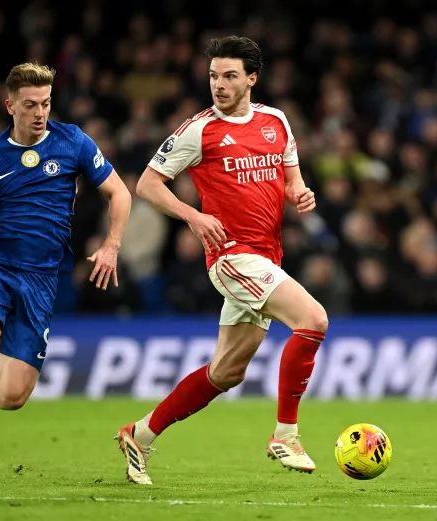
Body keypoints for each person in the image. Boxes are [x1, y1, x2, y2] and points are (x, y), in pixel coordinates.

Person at [115, 36, 327, 485]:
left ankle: (140, 434)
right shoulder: (198, 130)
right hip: (232, 258)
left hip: (267, 257)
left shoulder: (275, 121)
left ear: (252, 79)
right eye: (214, 76)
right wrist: (194, 217)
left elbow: (292, 180)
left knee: (227, 372)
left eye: (229, 76)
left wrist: (300, 193)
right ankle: (286, 435)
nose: (219, 84)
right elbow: (147, 184)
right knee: (313, 320)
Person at [0, 63, 131, 483]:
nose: (40, 113)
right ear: (10, 106)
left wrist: (111, 245)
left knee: (11, 395)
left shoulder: (72, 141)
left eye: (46, 103)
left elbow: (119, 192)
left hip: (40, 280)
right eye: (30, 105)